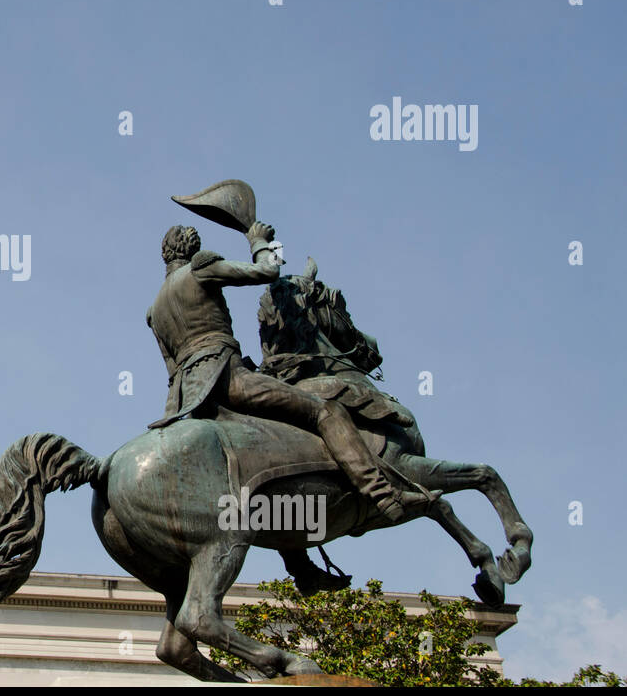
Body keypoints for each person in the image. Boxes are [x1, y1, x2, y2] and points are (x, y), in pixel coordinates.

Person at [146, 222, 436, 524]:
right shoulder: (200, 269)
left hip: (191, 401)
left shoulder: (154, 312)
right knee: (326, 412)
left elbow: (172, 371)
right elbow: (266, 272)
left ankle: (300, 559)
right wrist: (258, 241)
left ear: (165, 255)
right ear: (192, 247)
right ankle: (383, 494)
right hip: (230, 379)